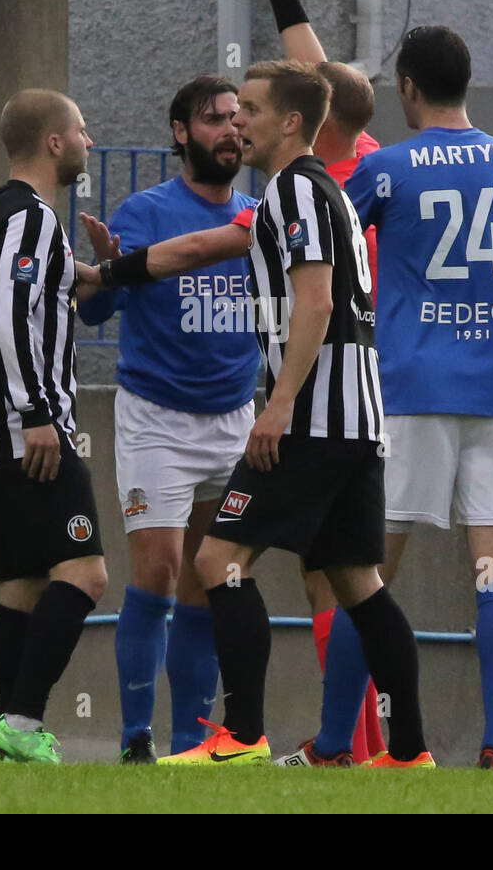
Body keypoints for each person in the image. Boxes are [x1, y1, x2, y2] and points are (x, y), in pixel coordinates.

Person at [83, 60, 433, 768]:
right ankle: (410, 752)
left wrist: (276, 407)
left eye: (249, 109)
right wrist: (109, 272)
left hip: (312, 421)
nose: (237, 121)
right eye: (230, 111)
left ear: (292, 122)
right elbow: (196, 250)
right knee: (359, 583)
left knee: (216, 561)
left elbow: (315, 302)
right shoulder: (307, 191)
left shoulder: (295, 192)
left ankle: (240, 737)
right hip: (356, 419)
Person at [291, 26, 493, 770]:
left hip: (409, 390)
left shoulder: (387, 169)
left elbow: (320, 239)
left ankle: (332, 747)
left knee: (368, 571)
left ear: (408, 88)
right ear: (468, 82)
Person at [76, 75, 259, 763]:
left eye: (239, 119)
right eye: (215, 119)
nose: (231, 131)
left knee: (210, 579)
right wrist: (106, 267)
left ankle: (191, 743)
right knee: (156, 568)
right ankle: (133, 738)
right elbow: (94, 311)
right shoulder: (147, 211)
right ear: (182, 132)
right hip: (156, 418)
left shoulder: (257, 216)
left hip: (235, 419)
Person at [265, 0, 385, 764]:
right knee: (349, 578)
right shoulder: (365, 160)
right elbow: (326, 82)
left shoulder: (314, 186)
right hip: (369, 387)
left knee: (334, 578)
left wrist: (121, 267)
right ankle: (371, 745)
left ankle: (350, 742)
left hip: (331, 391)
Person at [0, 89, 108, 765]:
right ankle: (22, 720)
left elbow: (37, 297)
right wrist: (37, 415)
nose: (88, 140)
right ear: (53, 142)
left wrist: (94, 275)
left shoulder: (14, 219)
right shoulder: (30, 218)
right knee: (85, 572)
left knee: (22, 584)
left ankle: (9, 734)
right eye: (80, 130)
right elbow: (5, 316)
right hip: (23, 428)